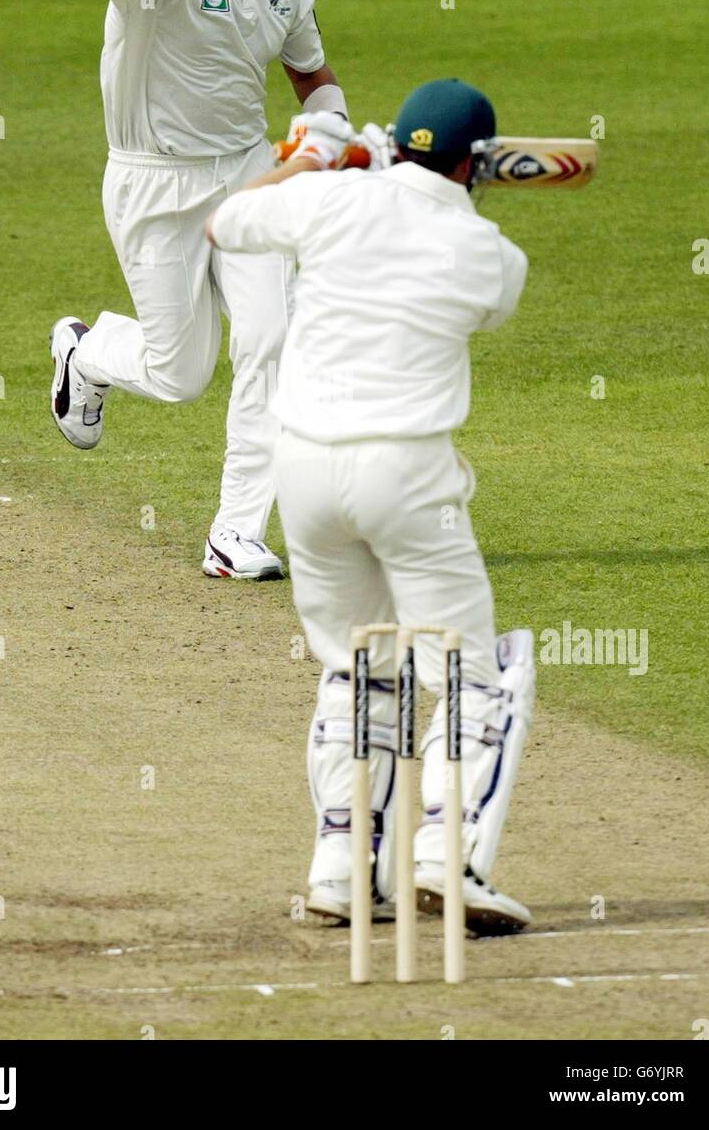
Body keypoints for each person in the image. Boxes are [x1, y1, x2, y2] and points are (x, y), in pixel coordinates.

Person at [205, 80, 536, 933]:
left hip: (304, 472)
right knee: (474, 674)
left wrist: (318, 156)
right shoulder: (488, 251)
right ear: (474, 165)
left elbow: (227, 222)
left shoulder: (331, 198)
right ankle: (444, 857)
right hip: (407, 474)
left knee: (357, 667)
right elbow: (490, 291)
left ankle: (340, 870)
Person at [49, 0, 348, 581]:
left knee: (272, 342)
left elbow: (310, 73)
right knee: (182, 375)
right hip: (154, 179)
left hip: (247, 174)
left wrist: (329, 130)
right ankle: (87, 353)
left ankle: (234, 533)